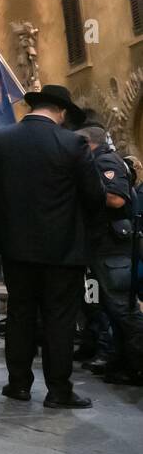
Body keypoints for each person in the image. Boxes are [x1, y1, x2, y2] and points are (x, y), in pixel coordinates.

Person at [0, 84, 105, 409]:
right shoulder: (73, 143)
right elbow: (95, 197)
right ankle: (59, 390)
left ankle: (19, 384)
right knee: (59, 319)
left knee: (20, 314)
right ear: (62, 112)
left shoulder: (0, 140)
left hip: (16, 249)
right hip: (63, 251)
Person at [76, 122, 143, 385]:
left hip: (112, 248)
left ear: (87, 144)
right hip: (104, 246)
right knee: (112, 309)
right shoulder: (100, 161)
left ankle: (138, 365)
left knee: (122, 309)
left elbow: (116, 198)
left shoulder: (105, 162)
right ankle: (123, 361)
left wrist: (87, 187)